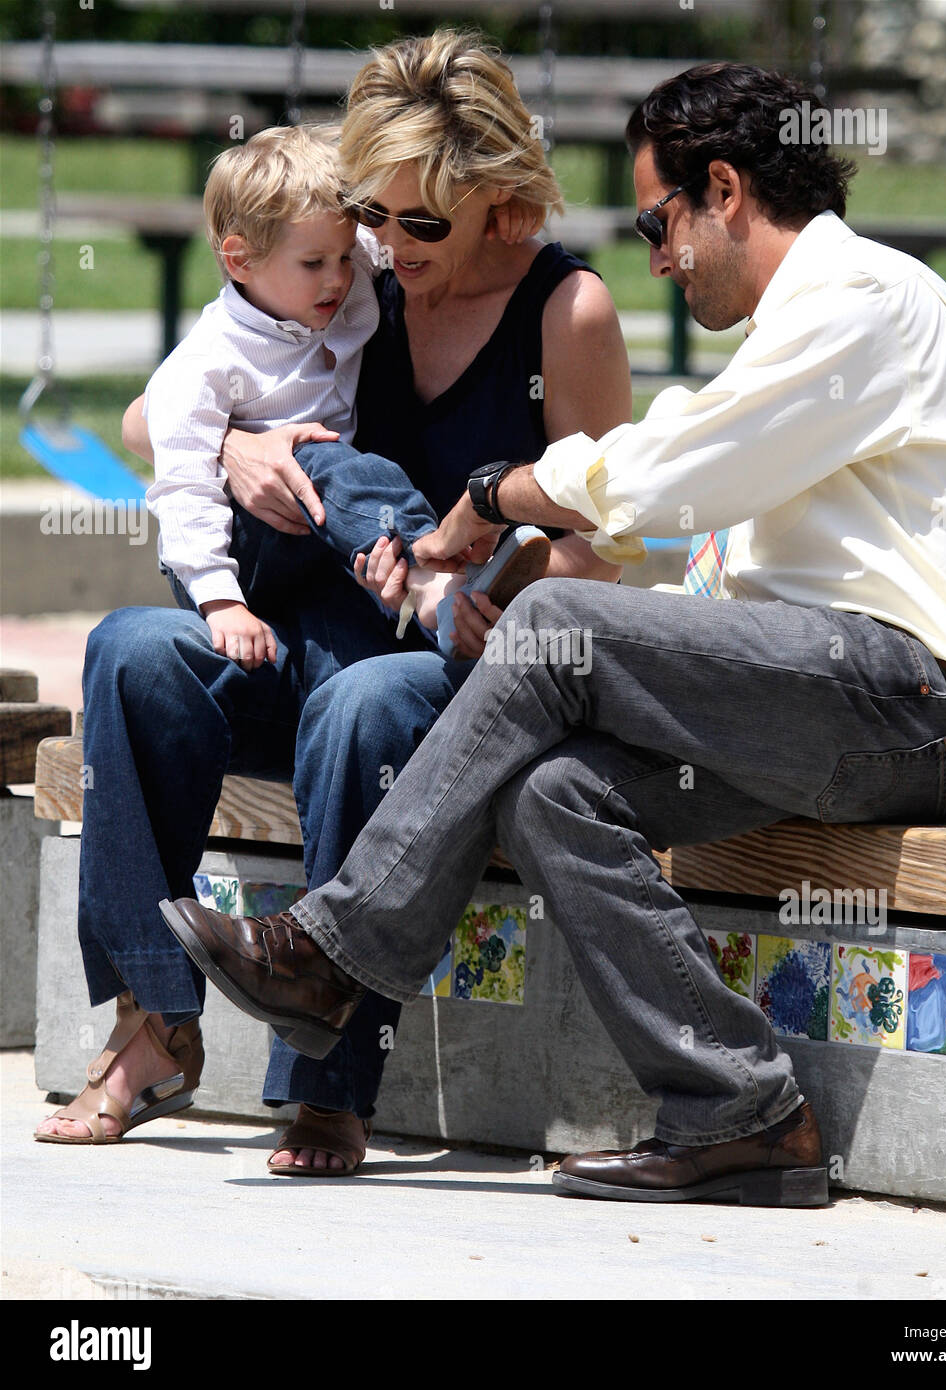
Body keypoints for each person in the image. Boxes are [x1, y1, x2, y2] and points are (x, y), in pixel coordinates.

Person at [162, 60, 946, 1205]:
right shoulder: (805, 323)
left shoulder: (862, 300)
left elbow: (673, 471)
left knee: (562, 618)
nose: (655, 257)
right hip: (828, 703)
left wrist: (495, 494)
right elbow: (723, 552)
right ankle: (737, 1106)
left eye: (656, 221)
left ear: (720, 189)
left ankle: (333, 953)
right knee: (555, 797)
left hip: (911, 697)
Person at [35, 31, 631, 1164]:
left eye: (422, 223)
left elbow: (600, 551)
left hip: (447, 650)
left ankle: (329, 1079)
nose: (389, 246)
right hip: (298, 628)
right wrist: (239, 453)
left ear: (498, 203)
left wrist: (458, 578)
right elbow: (145, 425)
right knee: (129, 649)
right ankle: (153, 1019)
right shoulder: (344, 274)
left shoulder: (567, 317)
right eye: (374, 213)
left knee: (361, 706)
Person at [146, 122, 549, 666]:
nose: (339, 277)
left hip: (324, 544)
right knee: (322, 457)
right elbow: (183, 489)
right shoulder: (205, 363)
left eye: (342, 257)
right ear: (239, 261)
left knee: (353, 655)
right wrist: (221, 602)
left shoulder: (333, 274)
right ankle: (436, 566)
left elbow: (408, 217)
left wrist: (500, 207)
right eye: (315, 264)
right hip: (237, 555)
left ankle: (441, 621)